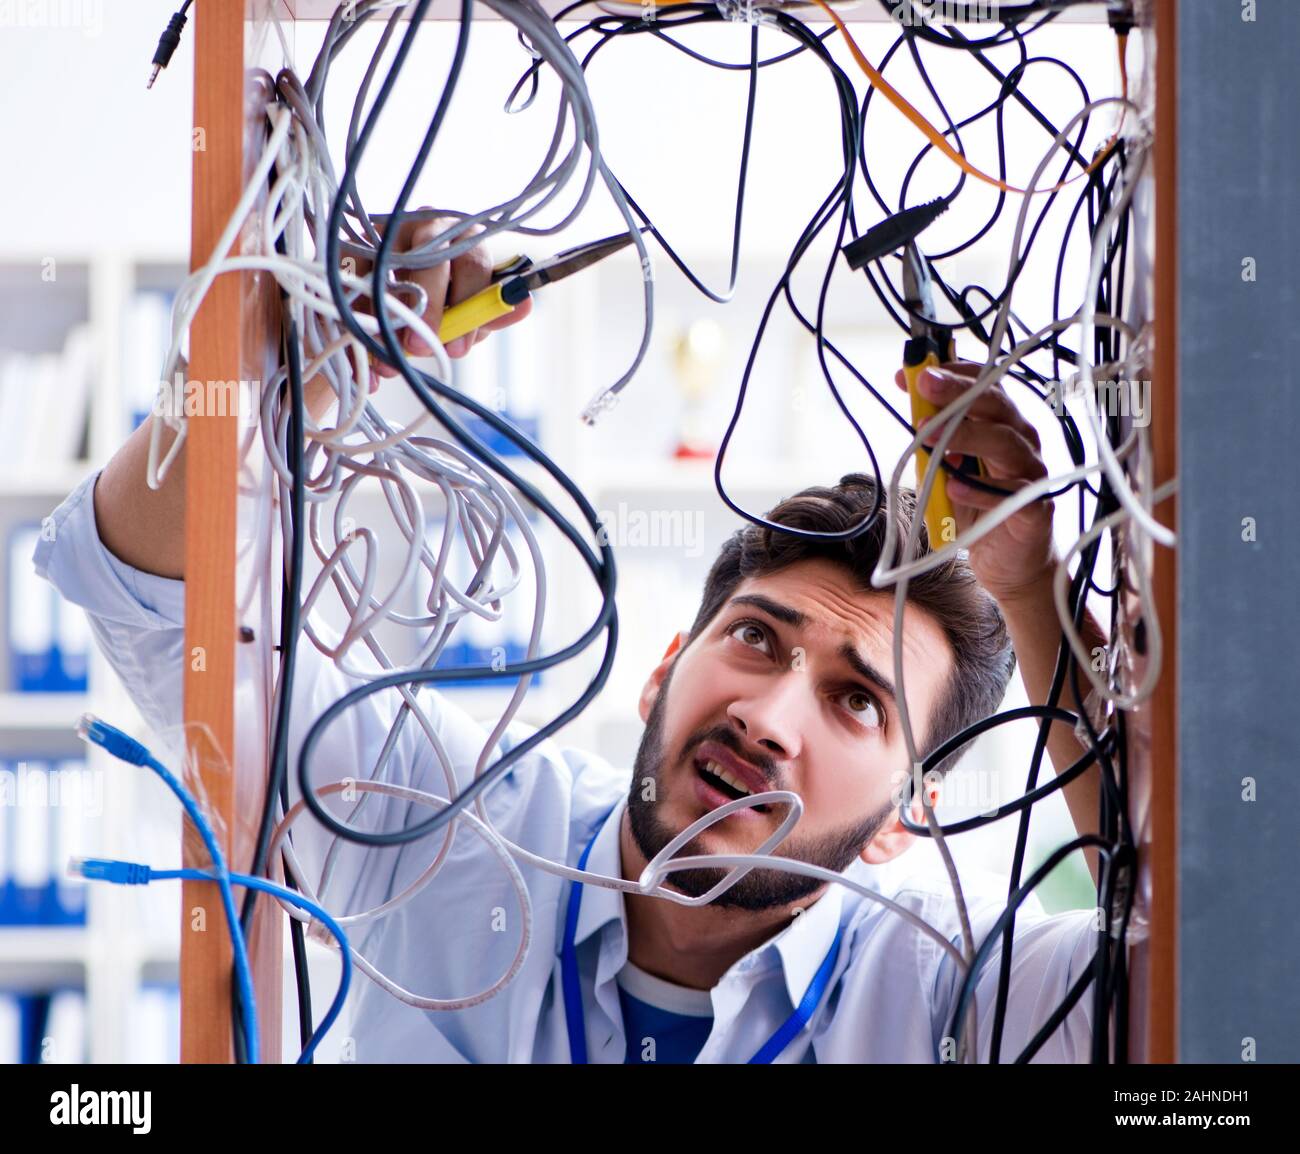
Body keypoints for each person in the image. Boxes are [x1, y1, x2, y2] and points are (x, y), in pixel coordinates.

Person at [36, 214, 1107, 1064]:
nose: (767, 715)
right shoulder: (452, 826)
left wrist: (1036, 591)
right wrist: (284, 379)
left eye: (855, 699)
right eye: (753, 637)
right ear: (660, 672)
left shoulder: (948, 994)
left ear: (906, 816)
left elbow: (1201, 974)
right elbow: (139, 583)